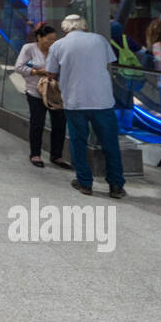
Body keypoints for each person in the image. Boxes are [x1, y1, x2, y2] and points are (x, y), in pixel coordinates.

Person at [44, 14, 127, 198]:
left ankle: (84, 183)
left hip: (75, 101)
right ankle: (115, 185)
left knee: (78, 142)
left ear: (65, 28)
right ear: (84, 26)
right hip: (102, 100)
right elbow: (108, 62)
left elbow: (51, 72)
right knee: (110, 143)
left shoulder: (58, 45)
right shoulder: (99, 40)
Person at [14, 25, 70, 169]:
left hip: (54, 92)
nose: (51, 42)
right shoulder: (29, 48)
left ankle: (56, 155)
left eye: (54, 39)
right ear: (39, 37)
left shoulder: (56, 50)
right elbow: (18, 67)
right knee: (37, 123)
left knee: (59, 123)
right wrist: (37, 72)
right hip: (35, 91)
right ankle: (35, 154)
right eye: (49, 39)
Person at [109, 21, 149, 133]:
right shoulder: (127, 39)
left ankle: (117, 126)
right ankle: (128, 126)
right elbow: (142, 51)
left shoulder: (108, 42)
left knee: (116, 100)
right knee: (128, 99)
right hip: (131, 74)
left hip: (116, 74)